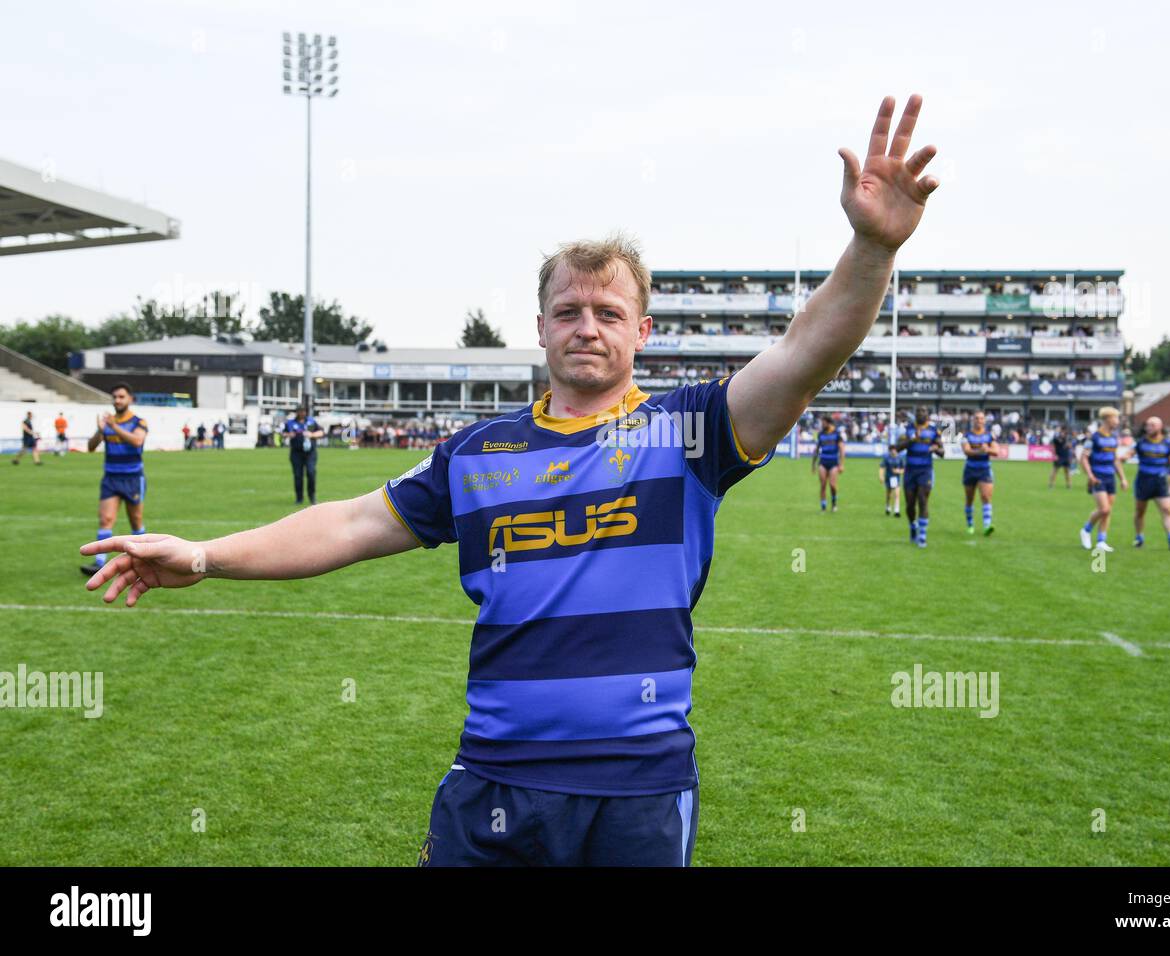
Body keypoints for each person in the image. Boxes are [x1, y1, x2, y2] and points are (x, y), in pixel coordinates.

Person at [80, 93, 940, 867]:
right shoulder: (478, 454)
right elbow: (347, 525)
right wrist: (202, 555)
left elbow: (806, 350)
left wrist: (869, 248)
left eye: (609, 313)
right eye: (569, 311)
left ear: (642, 329)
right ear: (539, 326)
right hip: (495, 780)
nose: (588, 328)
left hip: (638, 790)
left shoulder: (691, 428)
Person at [80, 383, 149, 576]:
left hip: (133, 478)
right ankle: (99, 562)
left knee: (135, 521)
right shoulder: (108, 424)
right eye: (115, 397)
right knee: (106, 519)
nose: (117, 400)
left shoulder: (138, 422)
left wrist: (113, 426)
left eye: (121, 396)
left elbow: (137, 441)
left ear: (130, 399)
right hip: (111, 478)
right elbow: (91, 447)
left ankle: (143, 558)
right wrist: (100, 431)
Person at [1131, 416, 1170, 551]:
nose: (1149, 427)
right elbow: (1129, 453)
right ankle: (1139, 537)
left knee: (1167, 510)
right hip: (1143, 482)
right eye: (1148, 425)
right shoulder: (1141, 442)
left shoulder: (1167, 444)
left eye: (1152, 425)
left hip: (1161, 481)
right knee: (1140, 512)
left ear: (1160, 427)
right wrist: (1122, 457)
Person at [1079, 407, 1126, 552]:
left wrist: (1122, 478)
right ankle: (1086, 530)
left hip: (1110, 477)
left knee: (1107, 511)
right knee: (1104, 509)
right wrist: (1091, 476)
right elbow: (1083, 458)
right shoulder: (1094, 437)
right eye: (1115, 418)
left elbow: (1115, 460)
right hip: (1098, 477)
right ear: (1107, 419)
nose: (1117, 421)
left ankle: (1101, 541)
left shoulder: (1113, 438)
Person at [900, 407, 943, 547]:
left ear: (927, 415)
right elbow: (898, 447)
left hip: (925, 470)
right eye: (918, 411)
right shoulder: (908, 429)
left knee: (923, 500)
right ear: (915, 414)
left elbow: (942, 452)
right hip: (910, 471)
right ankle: (913, 526)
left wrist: (936, 449)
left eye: (923, 411)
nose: (920, 414)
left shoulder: (933, 431)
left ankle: (922, 536)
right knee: (910, 506)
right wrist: (913, 439)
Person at [960, 409, 997, 536]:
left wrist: (988, 450)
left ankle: (987, 526)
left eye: (981, 418)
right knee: (970, 499)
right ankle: (970, 524)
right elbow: (966, 451)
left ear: (984, 421)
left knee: (986, 497)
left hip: (984, 469)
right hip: (970, 469)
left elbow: (996, 451)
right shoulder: (967, 436)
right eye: (976, 418)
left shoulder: (989, 435)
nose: (979, 421)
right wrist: (981, 451)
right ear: (973, 420)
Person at [283, 407, 326, 505]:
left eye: (303, 411)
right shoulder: (290, 423)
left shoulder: (311, 422)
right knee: (298, 476)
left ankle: (312, 497)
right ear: (297, 412)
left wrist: (312, 435)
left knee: (311, 473)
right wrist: (289, 435)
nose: (302, 413)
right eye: (300, 411)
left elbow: (321, 432)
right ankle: (299, 498)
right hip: (296, 453)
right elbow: (283, 433)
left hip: (310, 453)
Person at [812, 417, 845, 512]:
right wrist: (813, 464)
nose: (822, 424)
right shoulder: (821, 434)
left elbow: (842, 449)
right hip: (823, 462)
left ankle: (834, 504)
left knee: (832, 485)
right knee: (823, 485)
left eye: (823, 423)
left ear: (828, 423)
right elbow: (817, 450)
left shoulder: (836, 434)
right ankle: (823, 507)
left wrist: (842, 464)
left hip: (834, 463)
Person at [878, 443, 904, 517]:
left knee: (897, 494)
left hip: (897, 479)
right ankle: (888, 507)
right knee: (889, 495)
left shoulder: (900, 458)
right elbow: (882, 467)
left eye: (894, 449)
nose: (893, 451)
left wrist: (898, 471)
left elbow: (904, 469)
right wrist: (881, 476)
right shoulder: (887, 458)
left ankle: (897, 510)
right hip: (889, 478)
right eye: (891, 450)